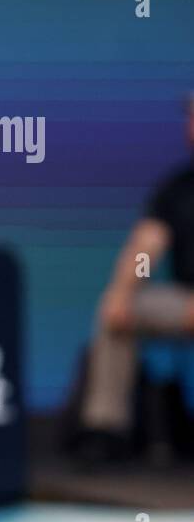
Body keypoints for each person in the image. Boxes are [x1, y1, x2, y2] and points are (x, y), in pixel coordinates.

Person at [76, 93, 194, 460]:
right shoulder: (178, 188)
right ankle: (105, 429)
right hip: (184, 299)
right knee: (116, 314)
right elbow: (146, 247)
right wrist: (122, 291)